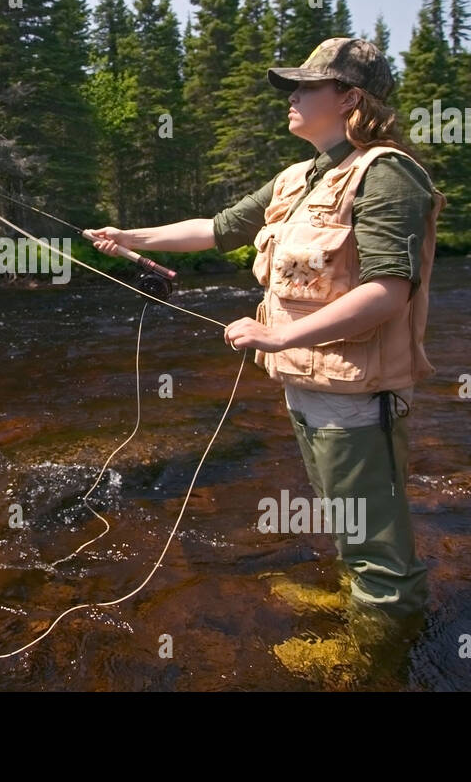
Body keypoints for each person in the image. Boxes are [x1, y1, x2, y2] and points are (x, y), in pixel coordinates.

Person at [86, 37, 446, 685]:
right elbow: (217, 227)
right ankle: (352, 599)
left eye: (306, 86)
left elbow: (389, 290)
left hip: (356, 393)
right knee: (344, 514)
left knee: (378, 548)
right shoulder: (298, 178)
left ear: (350, 98)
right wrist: (133, 237)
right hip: (309, 386)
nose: (293, 97)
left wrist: (281, 338)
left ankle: (375, 657)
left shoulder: (387, 173)